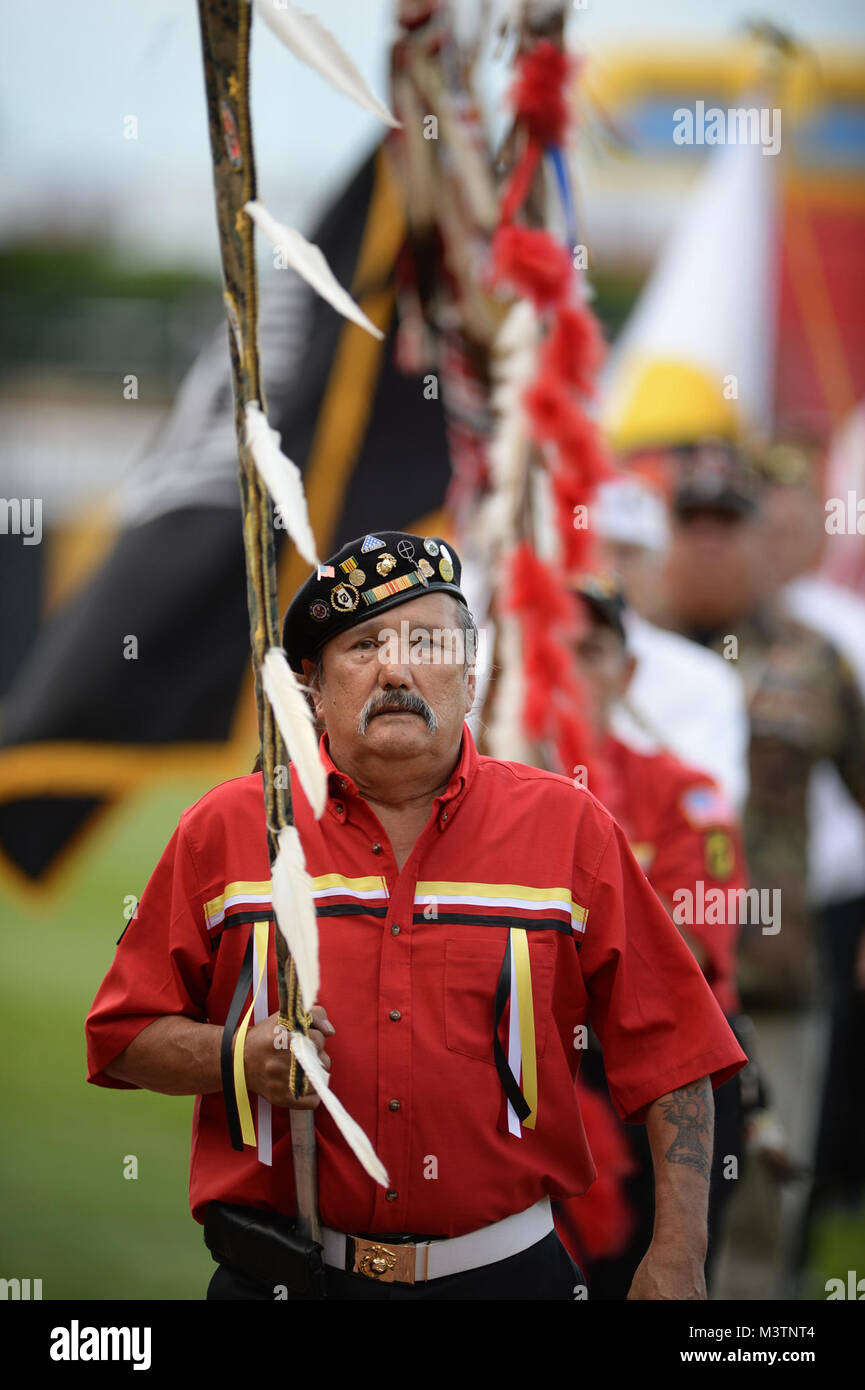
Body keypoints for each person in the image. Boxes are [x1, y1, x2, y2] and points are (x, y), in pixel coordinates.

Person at [85, 530, 746, 1301]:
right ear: (313, 687)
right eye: (361, 645)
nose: (395, 668)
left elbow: (677, 1056)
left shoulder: (569, 829)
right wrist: (240, 1057)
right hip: (285, 1279)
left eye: (426, 642)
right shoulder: (230, 828)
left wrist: (677, 1253)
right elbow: (121, 1036)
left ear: (470, 680)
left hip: (509, 1281)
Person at [552, 576, 749, 1296]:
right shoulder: (467, 795)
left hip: (659, 1086)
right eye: (549, 649)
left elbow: (682, 961)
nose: (569, 669)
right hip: (524, 1085)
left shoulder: (684, 796)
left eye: (592, 650)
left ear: (626, 673)